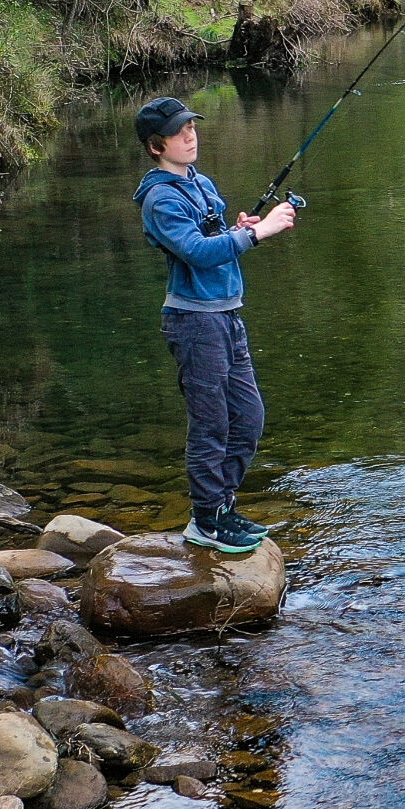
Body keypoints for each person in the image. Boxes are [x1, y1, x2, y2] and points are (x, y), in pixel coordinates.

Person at [132, 96, 298, 553]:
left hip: (227, 315)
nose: (190, 135)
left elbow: (215, 241)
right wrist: (255, 231)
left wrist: (239, 230)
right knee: (211, 426)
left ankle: (221, 507)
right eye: (178, 131)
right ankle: (205, 520)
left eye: (191, 127)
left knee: (248, 418)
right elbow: (199, 253)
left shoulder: (200, 183)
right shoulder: (160, 199)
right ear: (155, 146)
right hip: (193, 323)